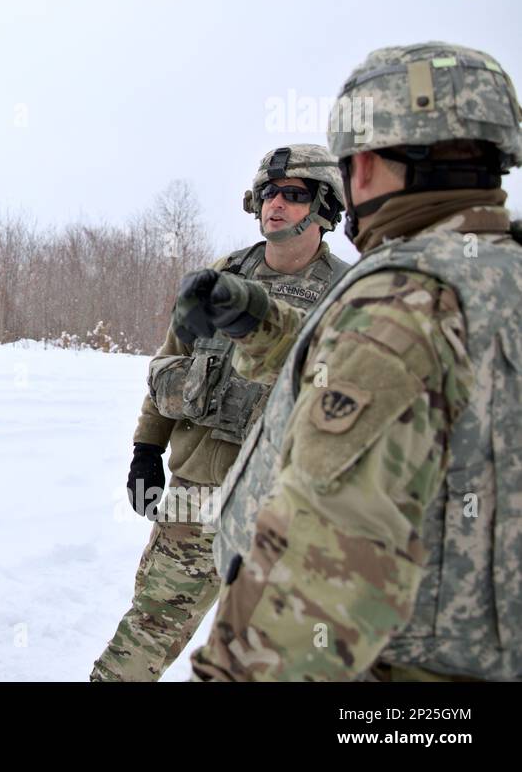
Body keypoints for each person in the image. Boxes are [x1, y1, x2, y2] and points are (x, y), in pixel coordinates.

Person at [179, 42, 522, 681]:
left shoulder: (405, 301)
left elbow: (325, 564)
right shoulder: (495, 278)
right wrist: (259, 320)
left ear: (361, 168)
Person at [91, 144, 348, 681]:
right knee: (147, 630)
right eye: (269, 193)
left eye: (294, 195)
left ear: (323, 208)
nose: (276, 203)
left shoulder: (346, 297)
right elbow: (170, 363)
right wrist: (146, 451)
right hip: (196, 494)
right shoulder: (221, 277)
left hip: (290, 509)